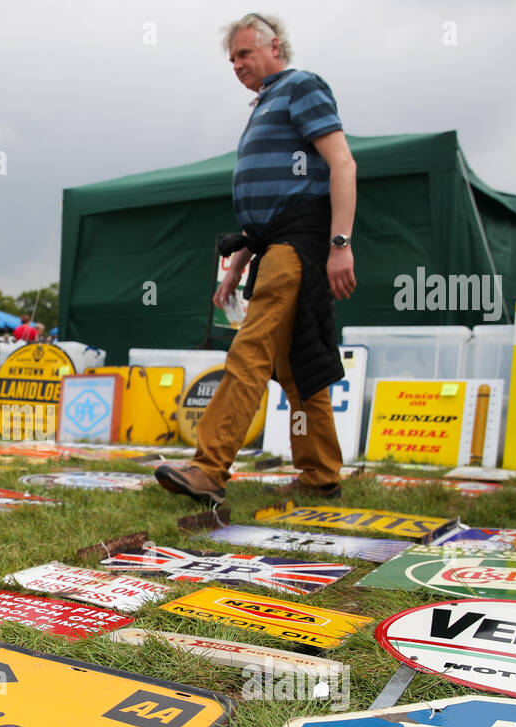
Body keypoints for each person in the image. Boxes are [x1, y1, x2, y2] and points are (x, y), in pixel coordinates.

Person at [155, 12, 356, 507]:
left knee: (249, 352)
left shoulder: (301, 86)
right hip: (276, 247)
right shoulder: (265, 104)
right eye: (232, 58)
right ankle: (321, 475)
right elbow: (272, 207)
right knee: (297, 366)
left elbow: (343, 163)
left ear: (275, 47)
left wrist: (340, 244)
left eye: (244, 53)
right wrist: (240, 263)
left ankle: (208, 468)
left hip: (299, 248)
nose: (237, 64)